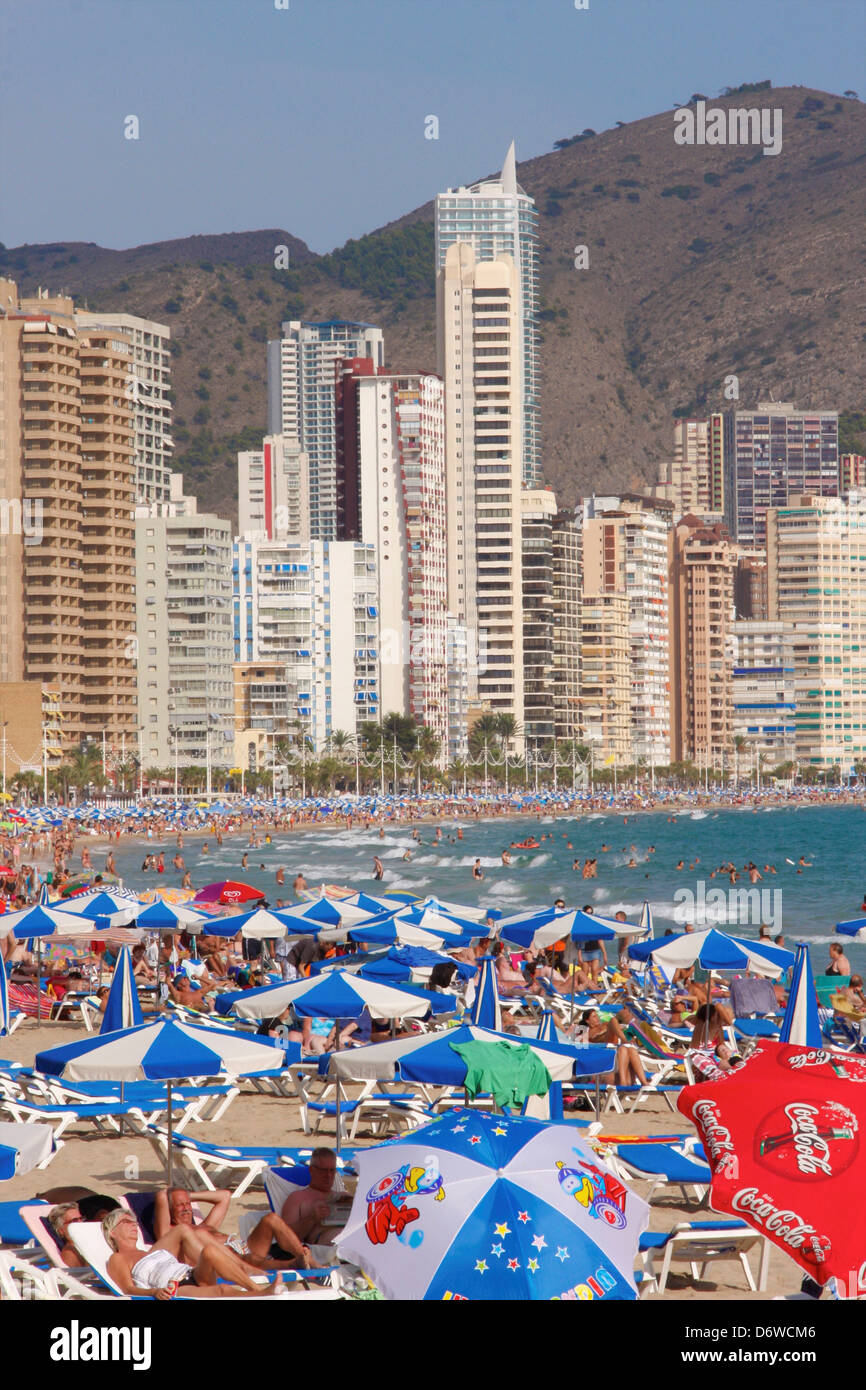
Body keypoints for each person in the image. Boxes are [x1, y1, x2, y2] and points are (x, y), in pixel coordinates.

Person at [102, 1210, 284, 1298]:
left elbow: (182, 1233)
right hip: (175, 1287)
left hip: (191, 1273)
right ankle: (262, 1294)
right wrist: (154, 1292)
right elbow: (127, 1289)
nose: (134, 1224)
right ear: (112, 1232)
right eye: (126, 1222)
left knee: (211, 1251)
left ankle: (257, 1288)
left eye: (134, 1222)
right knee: (222, 1290)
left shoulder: (148, 1252)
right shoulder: (118, 1259)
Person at [154, 1187, 311, 1270]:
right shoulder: (172, 1234)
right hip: (227, 1260)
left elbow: (225, 1196)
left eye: (188, 1204)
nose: (186, 1208)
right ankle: (291, 1265)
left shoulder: (204, 1226)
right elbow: (161, 1195)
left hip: (244, 1247)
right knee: (247, 1259)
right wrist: (170, 1194)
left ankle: (307, 1259)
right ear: (169, 1210)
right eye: (180, 1205)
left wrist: (187, 1195)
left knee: (272, 1219)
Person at [280, 1147, 343, 1246]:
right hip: (325, 1245)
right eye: (323, 1171)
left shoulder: (343, 1196)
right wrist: (312, 1218)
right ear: (311, 1170)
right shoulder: (298, 1198)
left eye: (332, 1170)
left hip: (353, 1240)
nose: (328, 1175)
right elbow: (285, 1238)